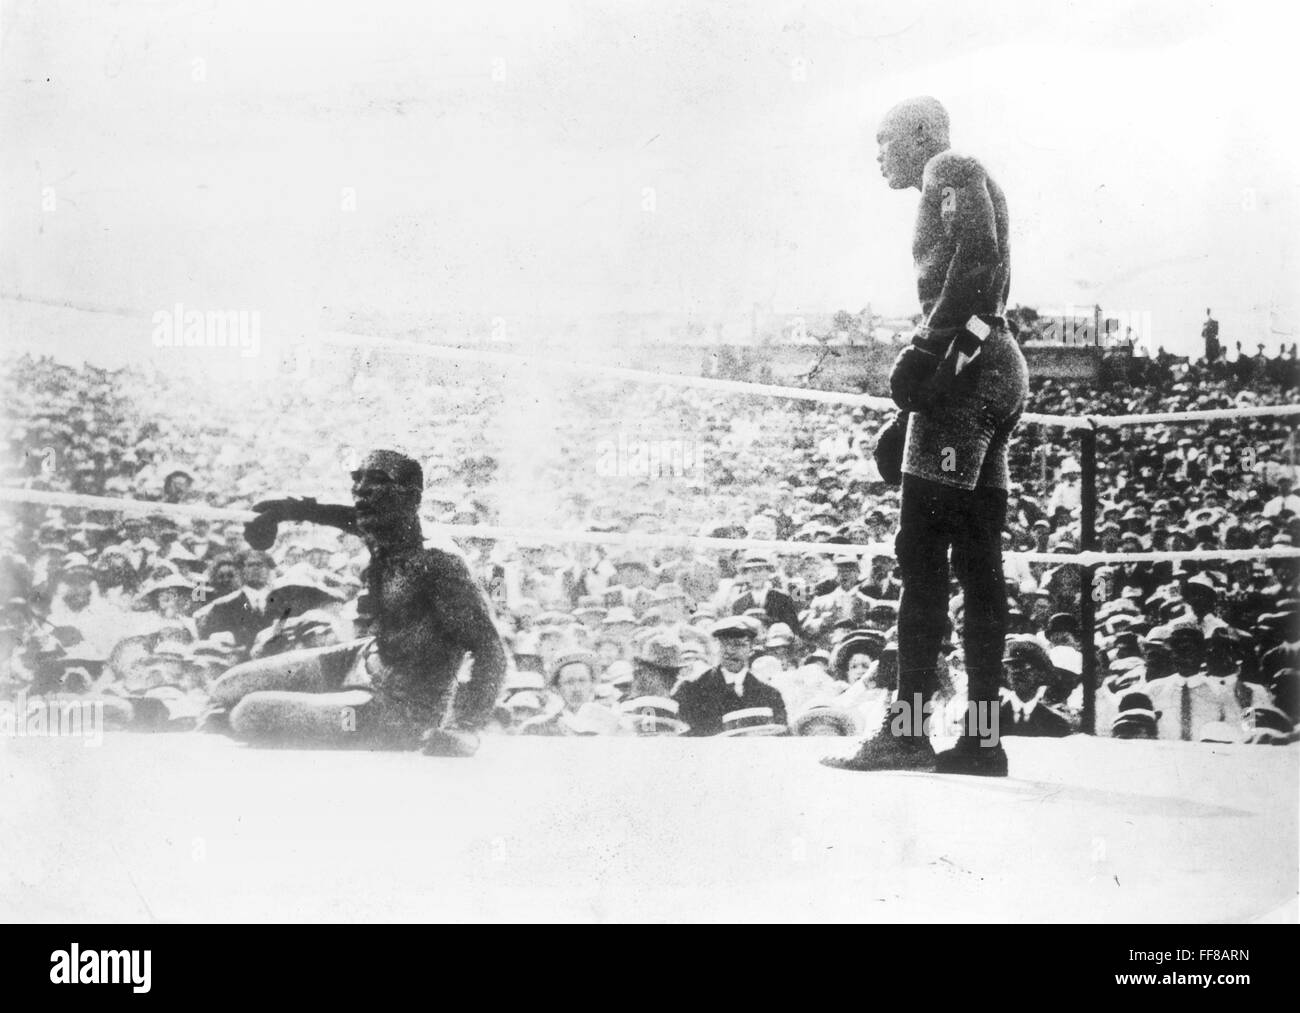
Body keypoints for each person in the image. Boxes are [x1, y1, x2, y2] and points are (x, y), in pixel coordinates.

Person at [826, 96, 1027, 776]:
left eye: (883, 140)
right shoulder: (965, 173)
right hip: (987, 359)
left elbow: (978, 262)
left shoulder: (950, 164)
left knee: (921, 555)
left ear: (919, 136)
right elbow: (987, 291)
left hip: (972, 364)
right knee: (977, 561)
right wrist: (927, 391)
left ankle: (909, 730)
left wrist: (925, 347)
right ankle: (983, 735)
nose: (877, 154)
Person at [206, 449, 507, 755]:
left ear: (410, 500)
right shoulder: (384, 528)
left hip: (400, 709)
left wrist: (464, 727)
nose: (362, 492)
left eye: (376, 484)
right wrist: (290, 510)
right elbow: (346, 517)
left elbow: (490, 648)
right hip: (361, 659)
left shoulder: (438, 562)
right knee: (226, 687)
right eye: (358, 482)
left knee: (249, 714)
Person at [674, 617, 787, 737]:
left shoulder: (769, 694)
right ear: (717, 647)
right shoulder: (693, 689)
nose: (730, 651)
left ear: (751, 648)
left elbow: (781, 737)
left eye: (738, 645)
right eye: (725, 644)